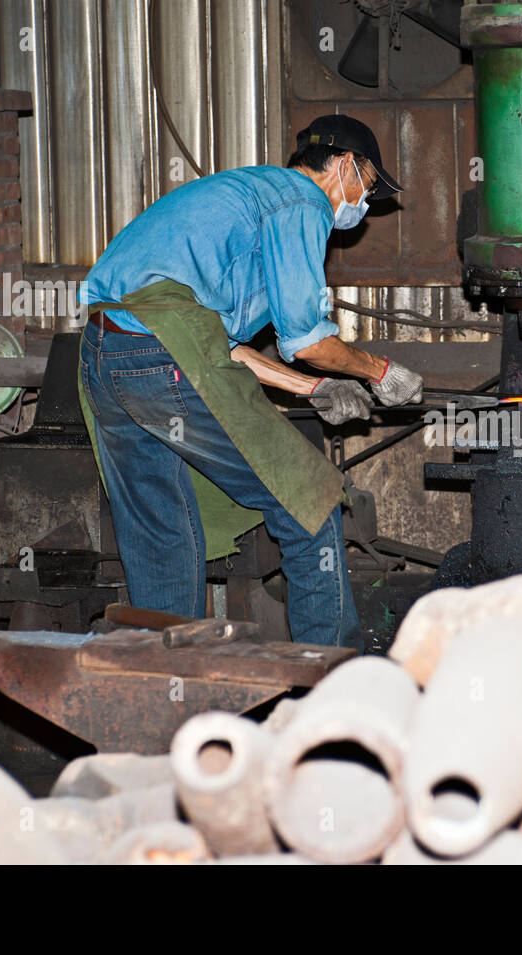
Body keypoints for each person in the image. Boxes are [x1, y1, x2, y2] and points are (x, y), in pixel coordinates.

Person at [77, 114, 422, 647]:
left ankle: (169, 687)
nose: (366, 203)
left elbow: (223, 348)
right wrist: (381, 372)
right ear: (348, 165)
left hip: (107, 351)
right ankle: (328, 684)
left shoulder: (251, 195)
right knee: (309, 502)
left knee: (162, 536)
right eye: (370, 186)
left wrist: (314, 389)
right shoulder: (301, 203)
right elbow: (307, 341)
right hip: (164, 347)